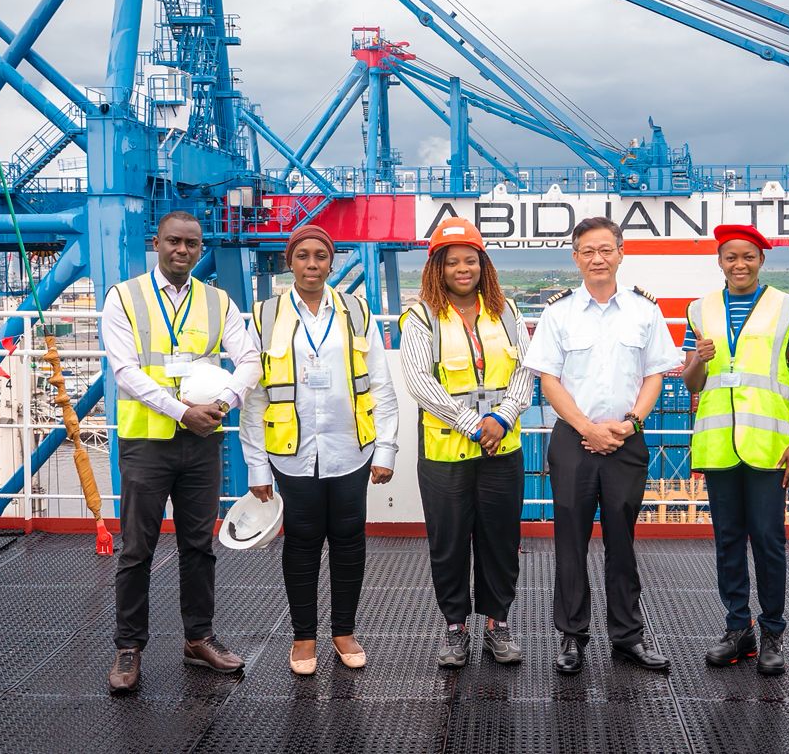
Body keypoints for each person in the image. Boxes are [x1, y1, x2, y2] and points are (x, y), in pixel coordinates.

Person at [101, 211, 261, 695]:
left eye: (192, 243)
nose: (183, 251)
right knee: (136, 549)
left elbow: (250, 358)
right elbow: (125, 370)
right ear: (157, 242)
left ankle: (199, 638)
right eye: (174, 241)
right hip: (147, 442)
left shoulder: (218, 301)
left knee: (198, 547)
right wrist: (180, 411)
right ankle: (129, 647)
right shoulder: (123, 298)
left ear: (200, 247)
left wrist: (225, 402)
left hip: (201, 442)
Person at [523, 217, 681, 675]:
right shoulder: (559, 313)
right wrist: (586, 427)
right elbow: (548, 379)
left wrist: (631, 423)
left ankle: (627, 636)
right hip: (574, 439)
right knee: (569, 540)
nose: (597, 258)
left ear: (620, 253)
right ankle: (572, 637)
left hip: (627, 440)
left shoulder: (643, 312)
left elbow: (655, 374)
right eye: (587, 251)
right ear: (575, 258)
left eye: (605, 249)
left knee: (622, 540)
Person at [239, 225, 399, 674]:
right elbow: (253, 399)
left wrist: (385, 449)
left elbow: (381, 386)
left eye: (321, 256)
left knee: (349, 543)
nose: (313, 264)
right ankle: (303, 637)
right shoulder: (263, 316)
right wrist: (257, 467)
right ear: (289, 261)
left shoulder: (356, 311)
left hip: (351, 449)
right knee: (303, 543)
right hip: (290, 452)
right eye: (303, 256)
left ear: (332, 262)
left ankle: (344, 631)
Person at [399, 217, 533, 669]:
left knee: (500, 539)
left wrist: (504, 415)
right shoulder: (420, 316)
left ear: (483, 264)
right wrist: (471, 423)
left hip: (502, 447)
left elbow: (525, 370)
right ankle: (455, 627)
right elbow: (419, 380)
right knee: (449, 542)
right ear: (437, 266)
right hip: (446, 453)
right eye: (452, 261)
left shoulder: (507, 311)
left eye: (470, 260)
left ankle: (498, 623)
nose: (462, 268)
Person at [681, 224, 789, 674]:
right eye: (731, 257)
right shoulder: (699, 309)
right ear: (720, 261)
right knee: (728, 541)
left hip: (769, 445)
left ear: (762, 260)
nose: (740, 264)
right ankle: (738, 628)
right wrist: (698, 357)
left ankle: (773, 631)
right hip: (719, 445)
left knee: (770, 541)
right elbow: (692, 382)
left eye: (748, 257)